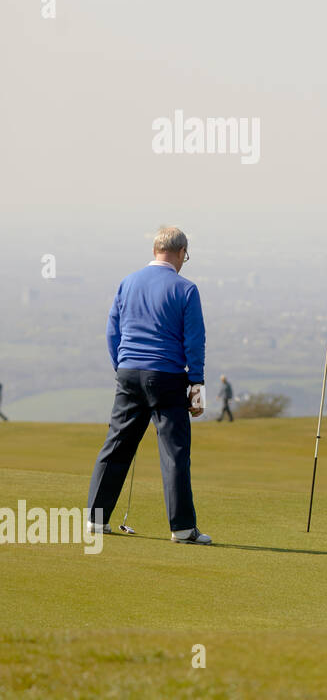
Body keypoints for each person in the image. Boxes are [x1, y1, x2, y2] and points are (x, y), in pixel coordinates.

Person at [86, 226, 211, 544]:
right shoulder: (186, 289)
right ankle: (182, 528)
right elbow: (194, 340)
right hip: (167, 377)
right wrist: (196, 383)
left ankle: (96, 520)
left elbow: (112, 331)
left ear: (156, 250)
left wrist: (122, 367)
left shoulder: (127, 282)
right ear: (182, 252)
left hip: (128, 372)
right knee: (174, 452)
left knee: (116, 446)